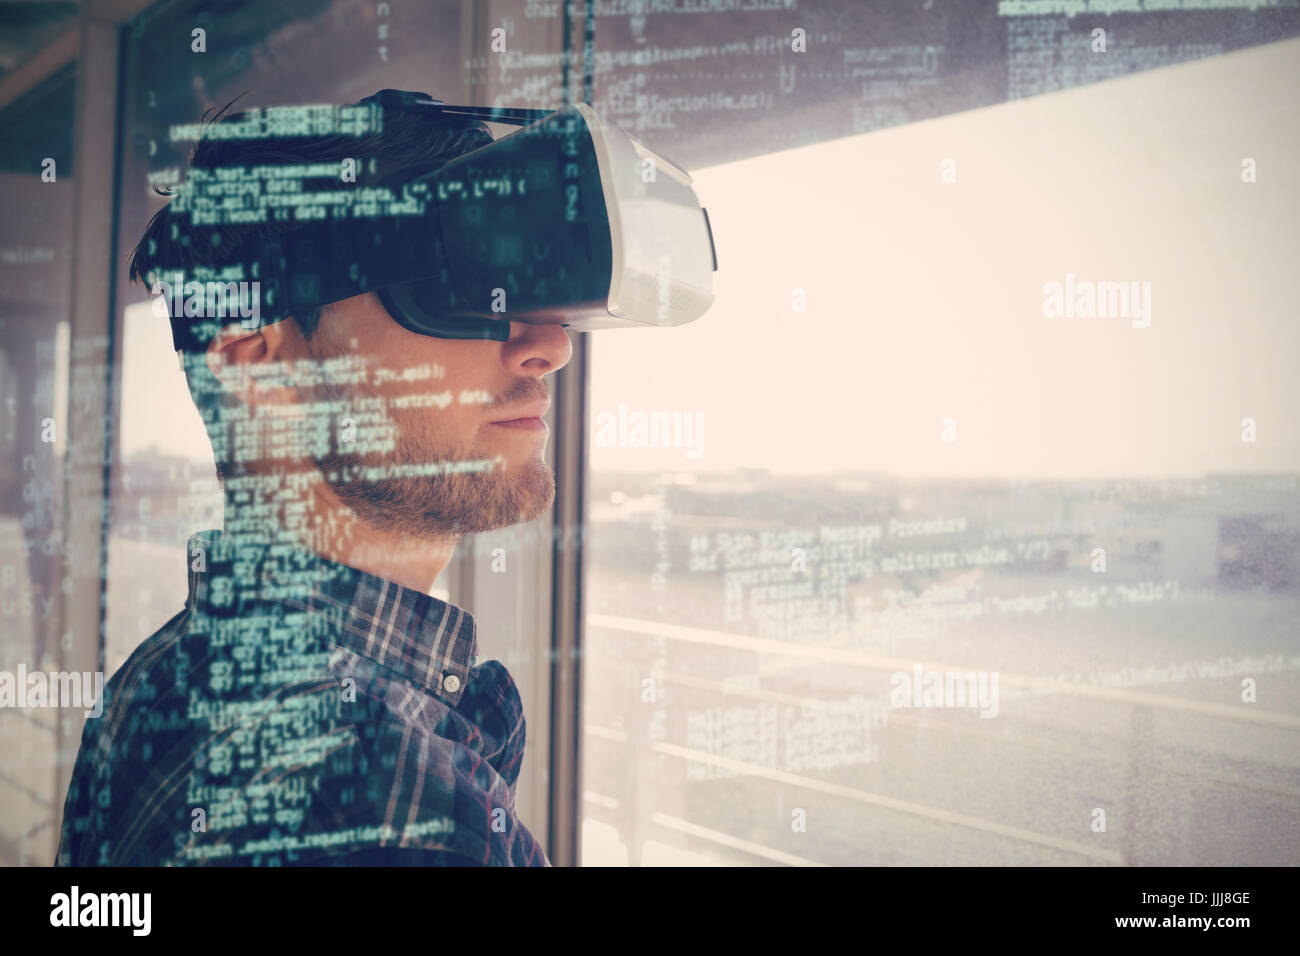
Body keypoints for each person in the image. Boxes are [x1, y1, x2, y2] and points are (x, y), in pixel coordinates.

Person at [55, 90, 568, 866]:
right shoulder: (405, 817)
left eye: (526, 285)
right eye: (458, 285)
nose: (548, 345)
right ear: (254, 357)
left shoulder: (163, 677)